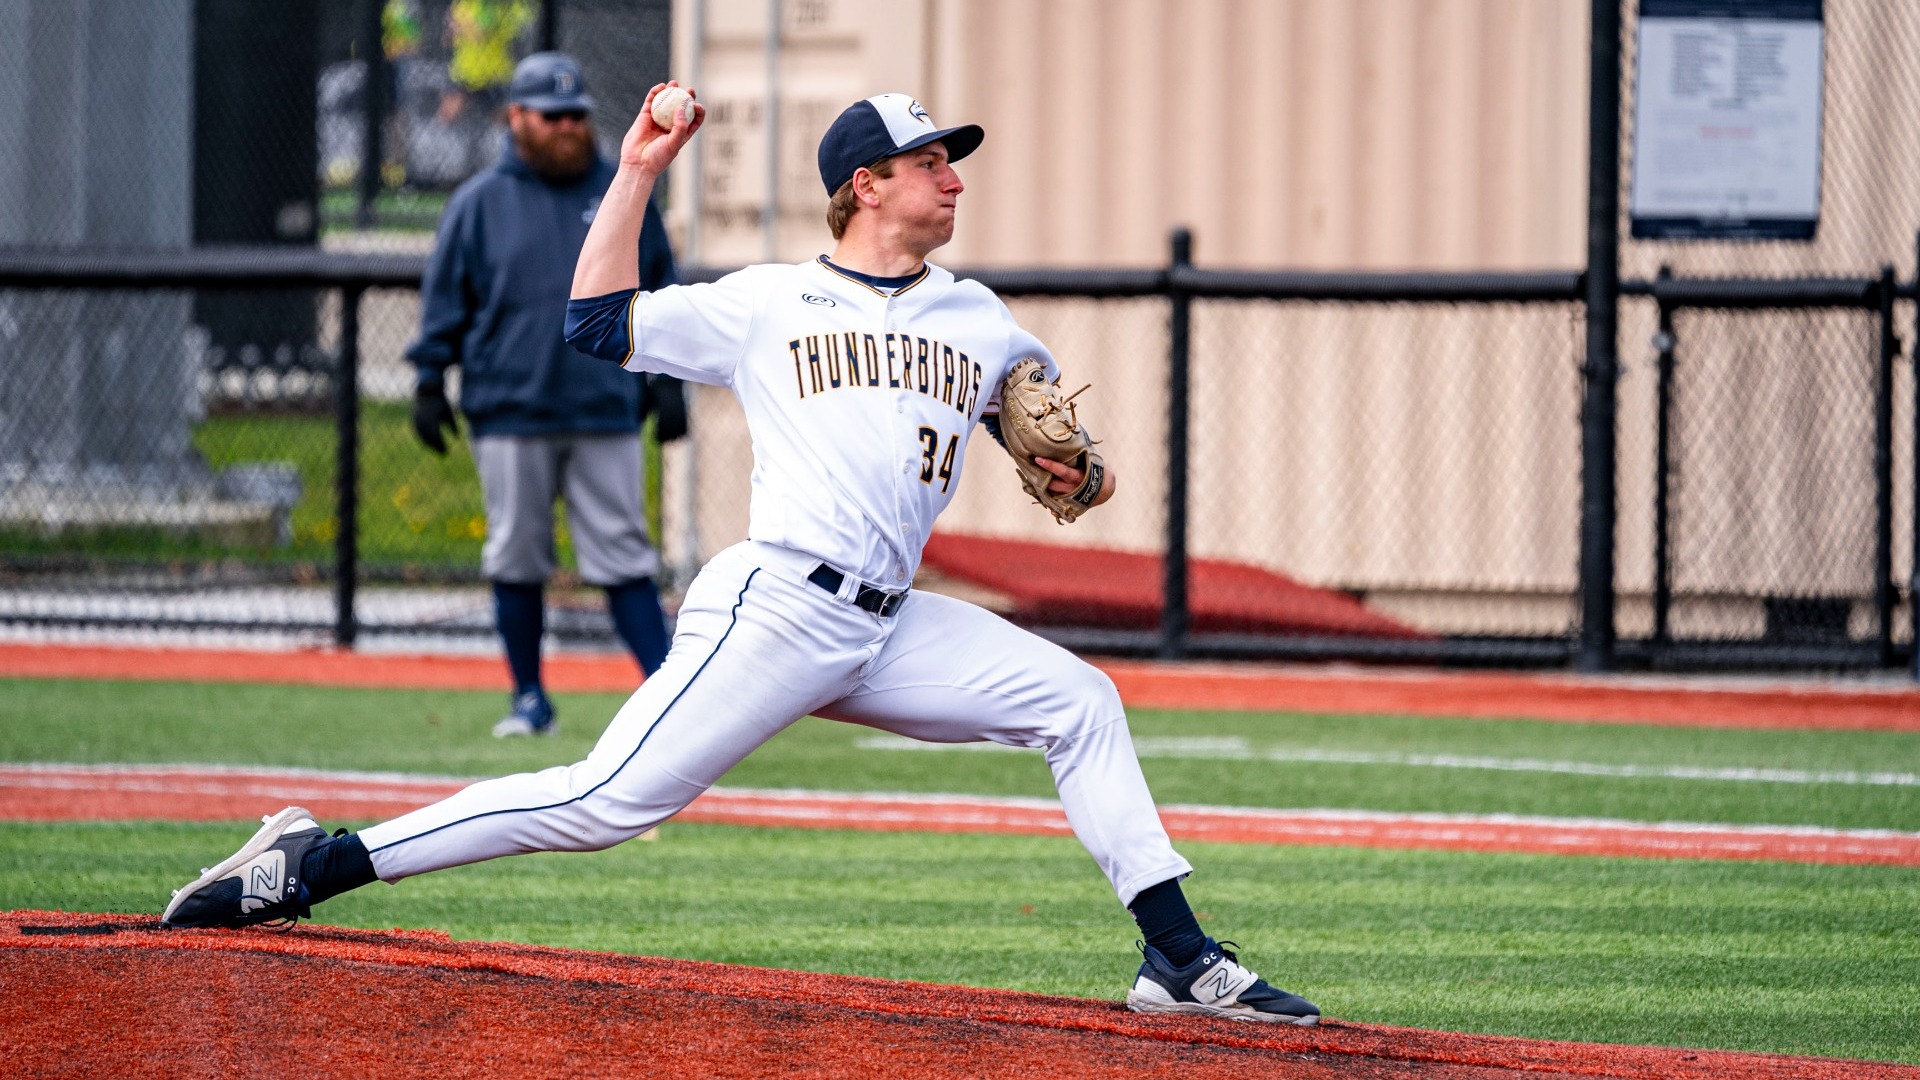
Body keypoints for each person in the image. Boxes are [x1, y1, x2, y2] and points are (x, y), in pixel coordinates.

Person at [162, 86, 1321, 1026]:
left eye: (951, 160)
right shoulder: (772, 301)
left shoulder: (983, 323)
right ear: (864, 186)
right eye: (930, 161)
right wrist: (639, 171)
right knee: (605, 800)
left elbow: (1075, 468)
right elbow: (598, 324)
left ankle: (1176, 959)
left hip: (890, 626)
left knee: (1080, 701)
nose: (954, 175)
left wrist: (1081, 477)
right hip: (778, 607)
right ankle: (305, 870)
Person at [407, 52, 687, 737]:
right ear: (517, 118)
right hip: (509, 409)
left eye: (577, 115)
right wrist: (426, 377)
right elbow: (447, 300)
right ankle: (530, 699)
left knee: (624, 556)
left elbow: (659, 286)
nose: (568, 126)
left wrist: (669, 381)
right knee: (516, 555)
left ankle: (670, 699)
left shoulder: (621, 192)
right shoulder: (479, 202)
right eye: (552, 115)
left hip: (603, 407)